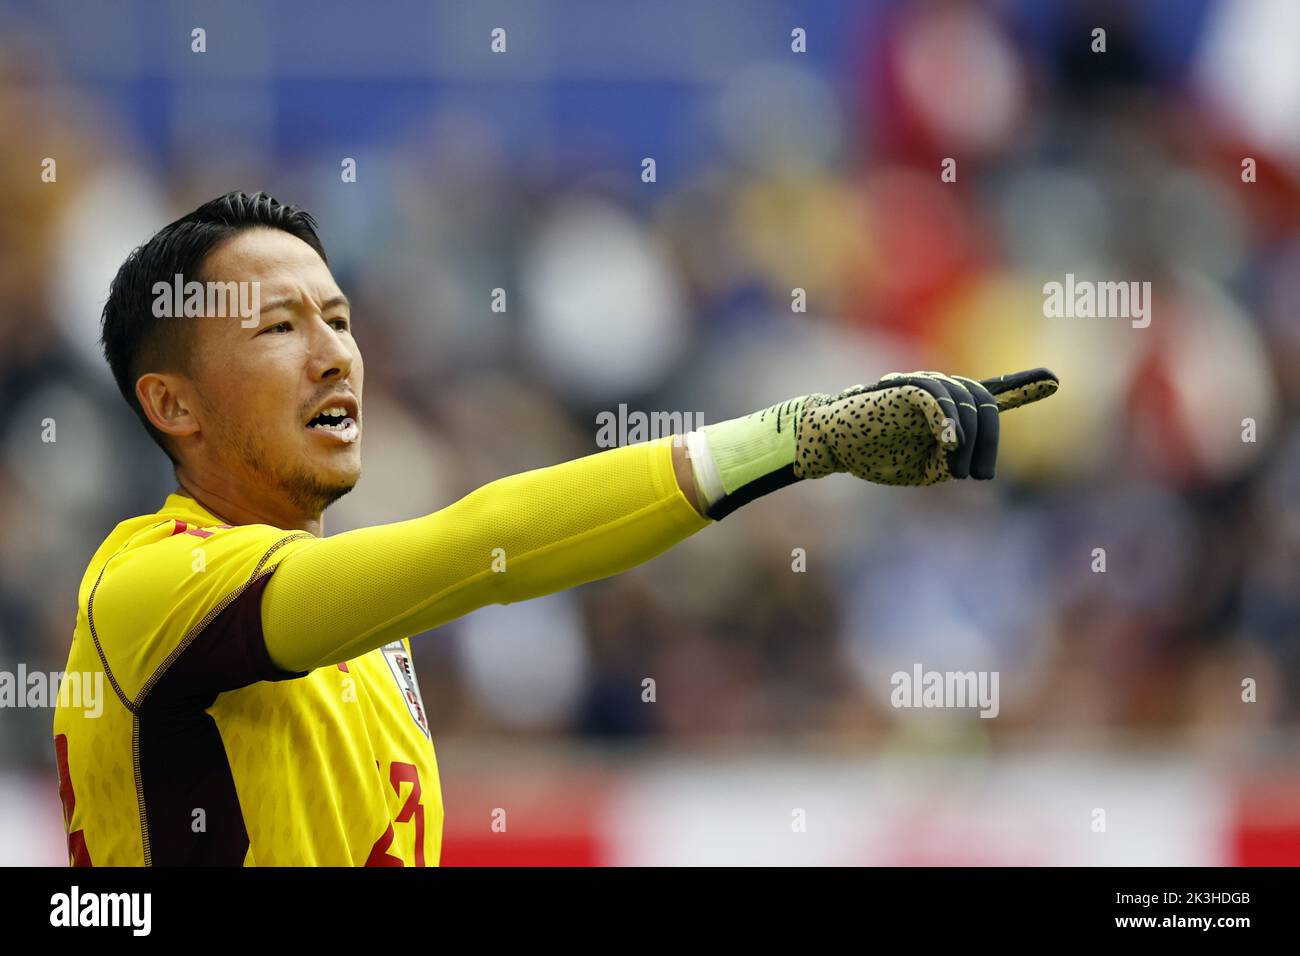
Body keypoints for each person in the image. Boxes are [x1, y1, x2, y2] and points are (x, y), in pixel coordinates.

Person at [52, 191, 1058, 866]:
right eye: (279, 326)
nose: (333, 356)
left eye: (341, 319)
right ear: (171, 405)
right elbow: (486, 544)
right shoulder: (144, 587)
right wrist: (795, 439)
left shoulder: (365, 628)